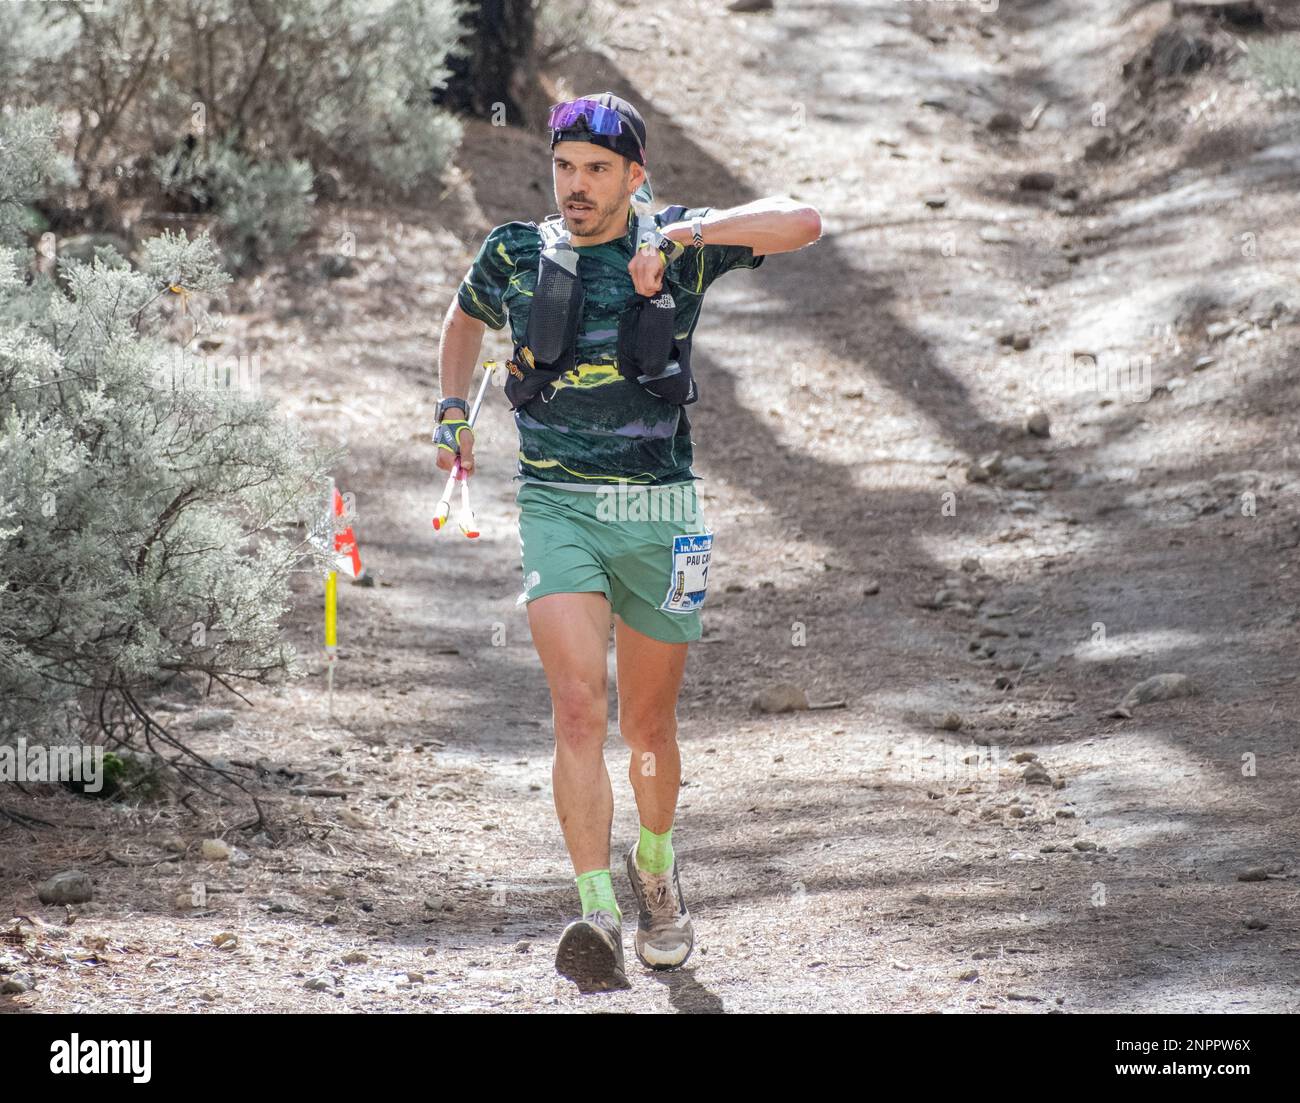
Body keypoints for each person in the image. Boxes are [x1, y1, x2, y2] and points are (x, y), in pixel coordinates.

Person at [435, 92, 821, 991]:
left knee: (648, 723)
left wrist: (684, 238)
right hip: (558, 506)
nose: (575, 186)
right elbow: (462, 322)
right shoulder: (517, 252)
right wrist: (453, 408)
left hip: (661, 515)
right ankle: (595, 912)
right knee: (578, 712)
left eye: (597, 170)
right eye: (564, 167)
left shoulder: (676, 243)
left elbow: (803, 220)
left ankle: (656, 865)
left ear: (635, 176)